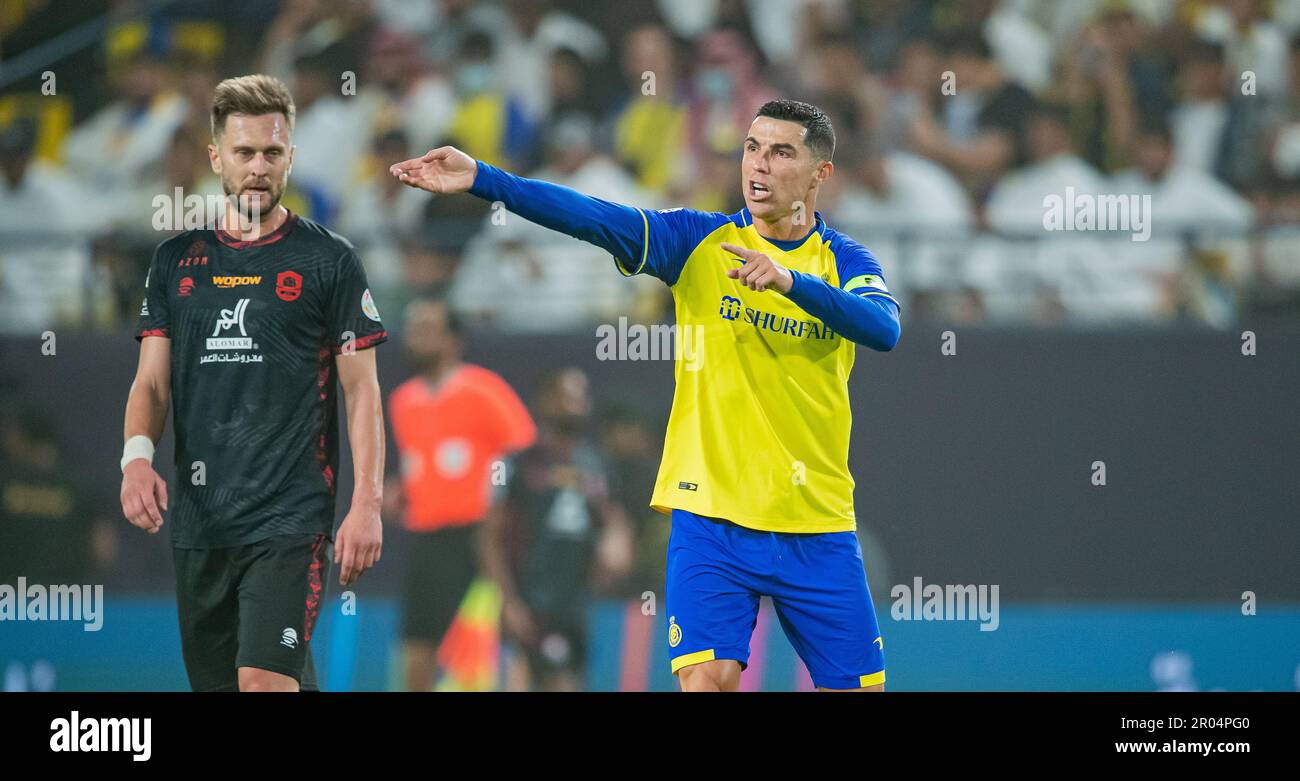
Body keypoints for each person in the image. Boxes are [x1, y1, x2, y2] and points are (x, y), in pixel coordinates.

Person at [391, 98, 900, 692]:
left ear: (820, 173)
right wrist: (485, 180)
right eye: (752, 148)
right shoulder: (697, 242)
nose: (759, 166)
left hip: (816, 522)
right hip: (712, 517)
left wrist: (789, 281)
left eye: (781, 152)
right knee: (707, 678)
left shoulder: (844, 260)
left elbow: (882, 328)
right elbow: (594, 216)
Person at [120, 74, 388, 692]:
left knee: (262, 683)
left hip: (290, 520)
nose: (259, 167)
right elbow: (152, 385)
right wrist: (136, 458)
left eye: (272, 152)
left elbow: (362, 392)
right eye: (244, 153)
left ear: (290, 156)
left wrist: (366, 504)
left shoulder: (330, 261)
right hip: (202, 522)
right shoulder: (175, 262)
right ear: (217, 157)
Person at [386, 297, 535, 692]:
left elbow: (523, 455)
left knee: (484, 652)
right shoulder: (402, 401)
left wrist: (498, 505)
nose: (415, 337)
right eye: (412, 328)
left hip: (476, 542)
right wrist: (399, 494)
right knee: (416, 645)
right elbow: (422, 466)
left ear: (453, 340)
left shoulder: (484, 391)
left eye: (427, 328)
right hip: (424, 540)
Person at [480, 367, 632, 691]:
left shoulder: (597, 464)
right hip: (528, 600)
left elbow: (615, 521)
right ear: (545, 401)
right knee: (520, 680)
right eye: (567, 396)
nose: (576, 404)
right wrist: (508, 601)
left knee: (568, 682)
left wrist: (617, 543)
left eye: (581, 396)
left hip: (575, 602)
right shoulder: (515, 464)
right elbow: (490, 537)